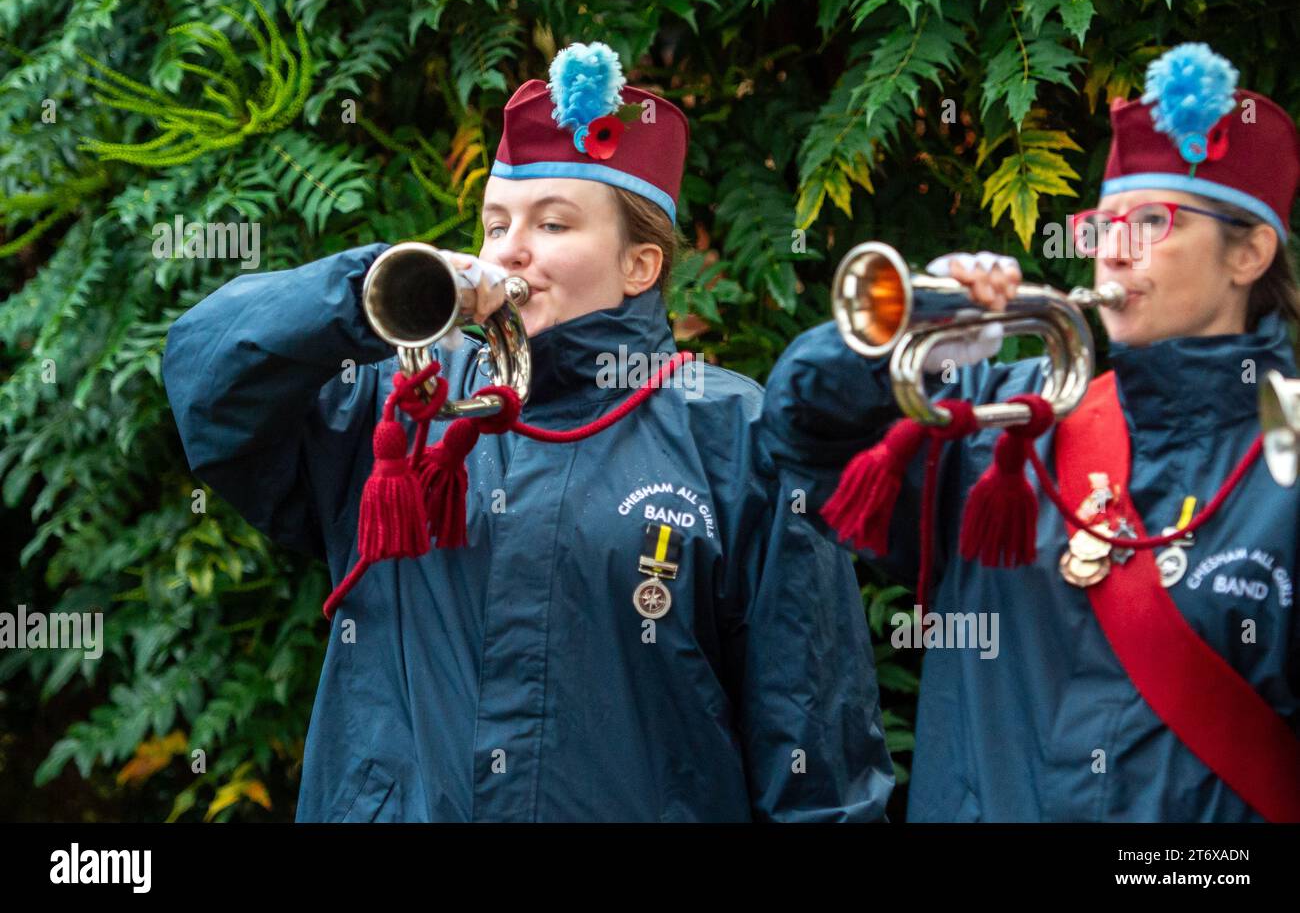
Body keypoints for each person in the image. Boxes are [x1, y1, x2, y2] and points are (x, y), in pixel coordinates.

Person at [163, 41, 894, 822]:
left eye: (552, 223)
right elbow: (210, 378)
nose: (508, 249)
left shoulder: (739, 434)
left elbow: (818, 756)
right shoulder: (403, 408)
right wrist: (371, 289)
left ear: (640, 264)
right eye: (494, 222)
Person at [761, 43, 1300, 822]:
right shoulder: (1000, 416)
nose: (1113, 248)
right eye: (1103, 223)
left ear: (1249, 251)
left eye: (1152, 221)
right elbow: (802, 436)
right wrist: (908, 342)